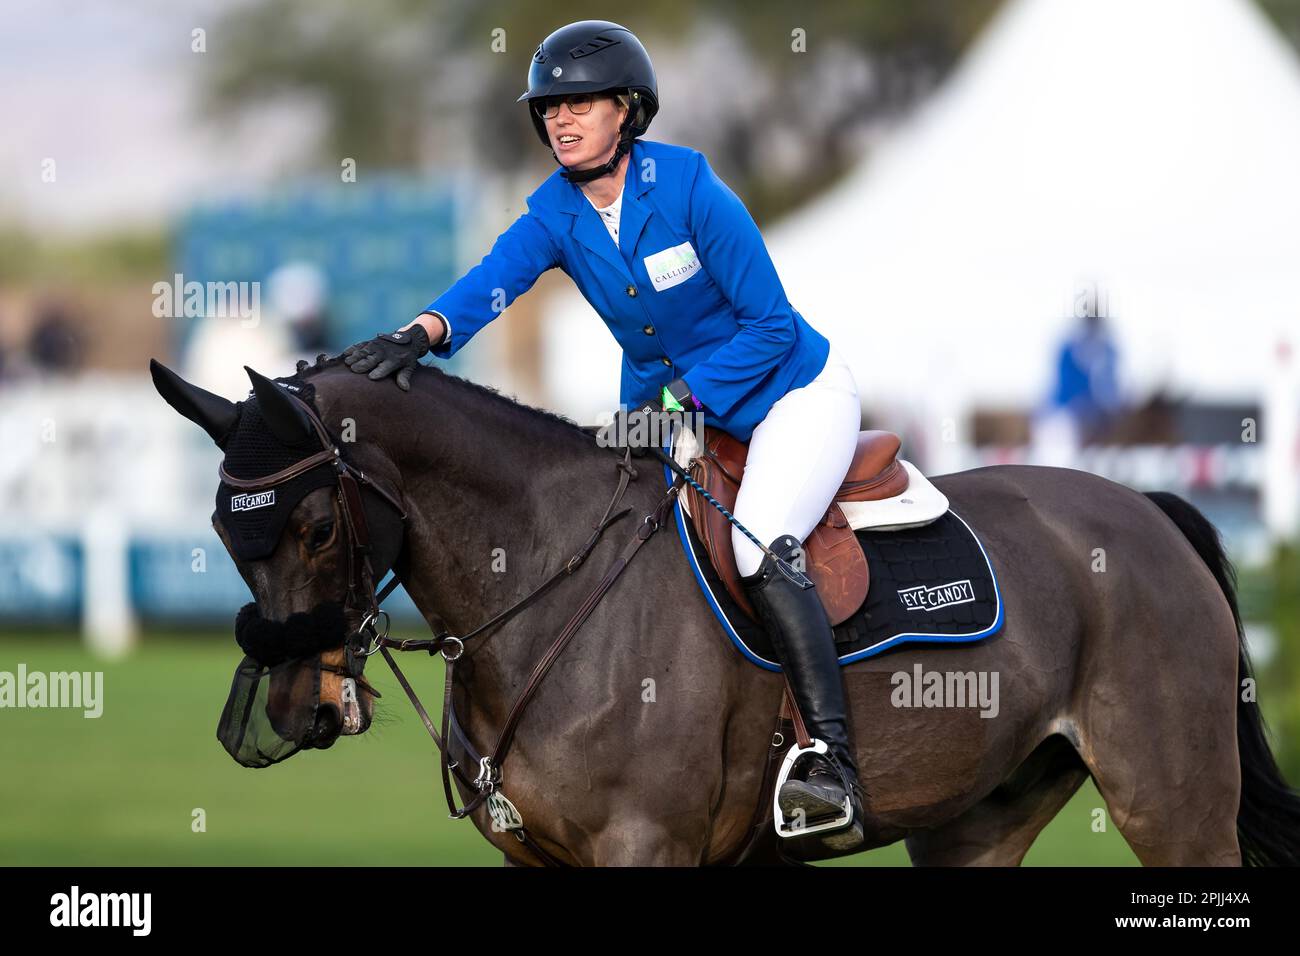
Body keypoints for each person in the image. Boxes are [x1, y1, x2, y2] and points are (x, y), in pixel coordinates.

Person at [341, 19, 865, 854]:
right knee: (608, 525)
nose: (560, 117)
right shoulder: (554, 211)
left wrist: (687, 405)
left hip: (790, 397)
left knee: (763, 544)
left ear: (628, 108)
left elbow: (769, 324)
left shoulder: (691, 187)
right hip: (668, 411)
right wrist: (424, 331)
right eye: (549, 106)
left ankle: (829, 759)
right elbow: (493, 280)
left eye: (579, 101)